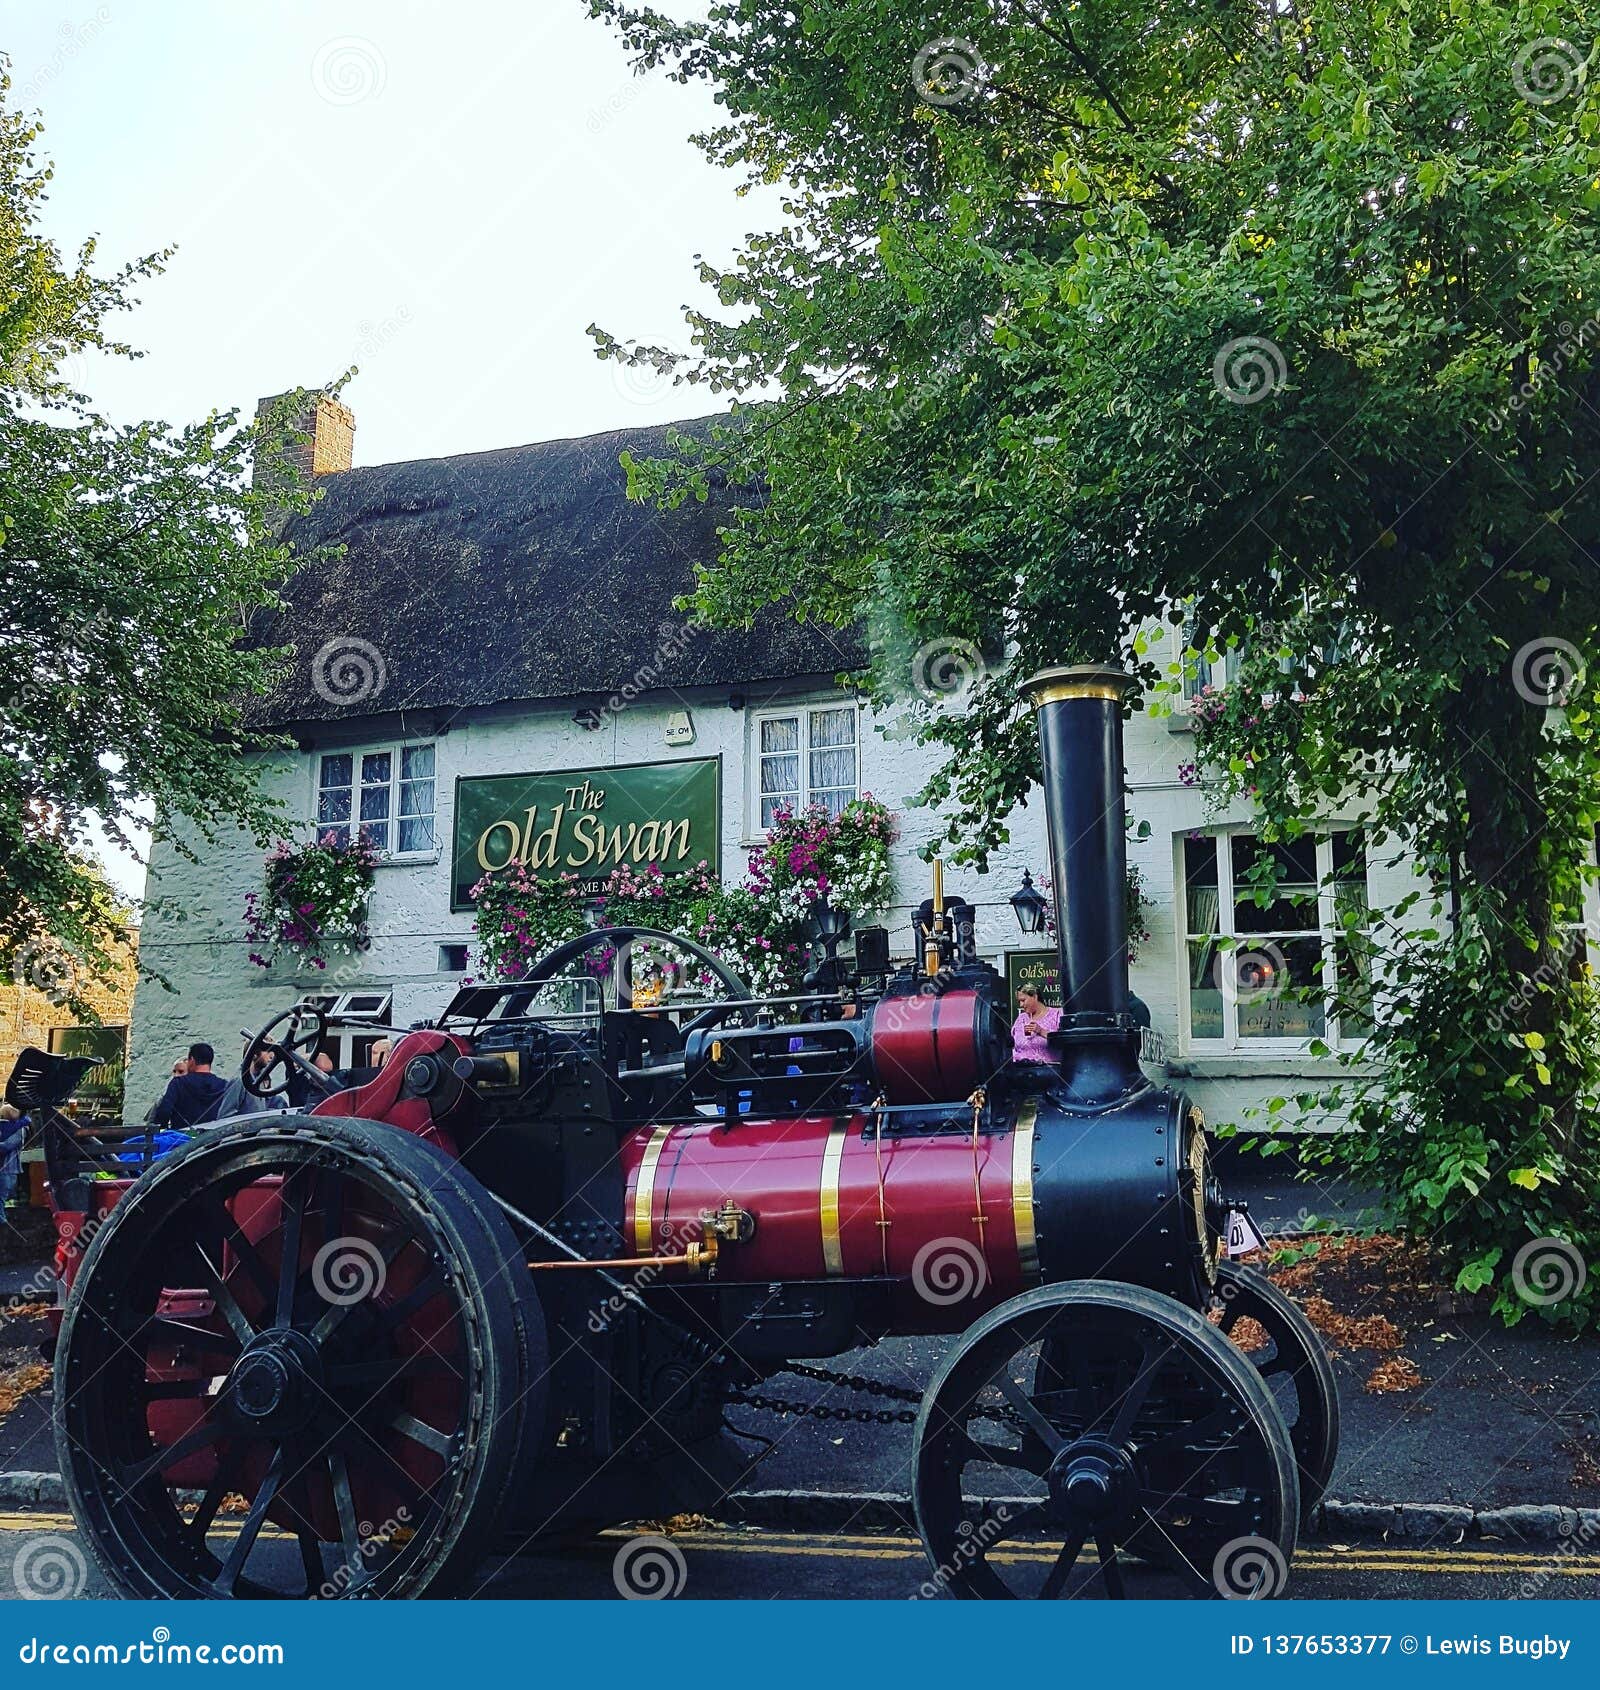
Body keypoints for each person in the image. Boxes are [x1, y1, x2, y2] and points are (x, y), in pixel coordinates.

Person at [149, 1043, 228, 1130]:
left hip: (183, 1138)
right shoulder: (224, 1085)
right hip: (214, 1139)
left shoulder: (178, 1083)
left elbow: (164, 1111)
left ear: (192, 1060)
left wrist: (163, 1128)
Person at [1011, 985, 1061, 1064]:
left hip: (1048, 1071)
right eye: (1019, 1001)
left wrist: (1041, 1031)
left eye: (1023, 1000)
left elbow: (1064, 1042)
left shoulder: (1057, 1014)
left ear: (1034, 997)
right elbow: (1013, 1045)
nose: (1020, 1005)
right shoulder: (1021, 1018)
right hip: (1021, 1070)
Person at [0, 1104, 29, 1207]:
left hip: (8, 1169)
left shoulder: (21, 1128)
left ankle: (3, 1222)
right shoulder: (20, 1126)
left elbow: (7, 1146)